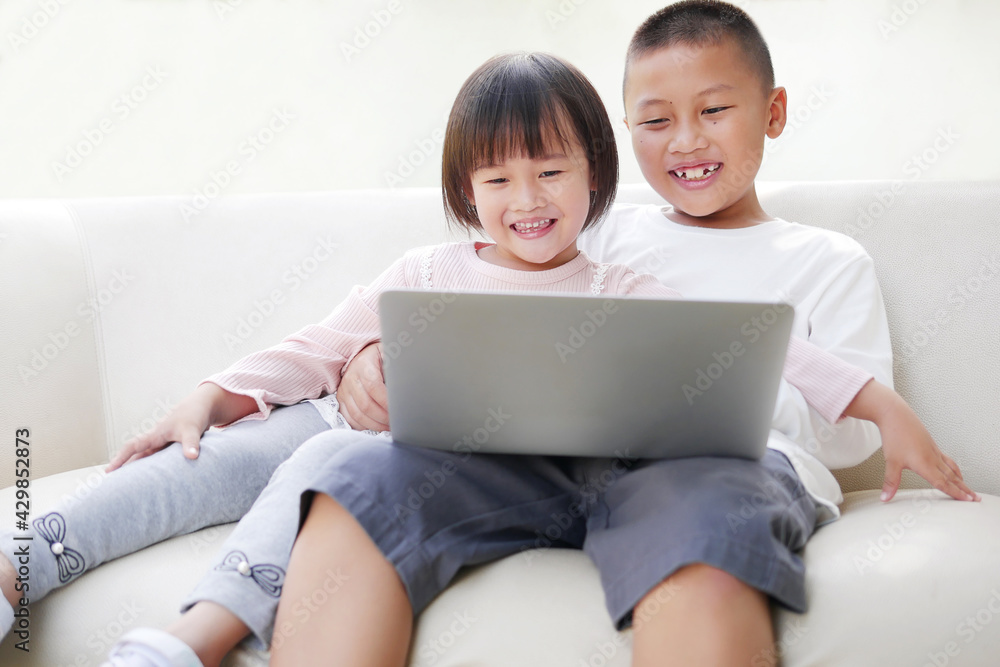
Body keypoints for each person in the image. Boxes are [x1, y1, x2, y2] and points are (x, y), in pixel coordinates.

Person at [0, 49, 905, 667]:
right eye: (499, 181)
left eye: (550, 172)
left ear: (594, 172)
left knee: (329, 468)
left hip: (405, 452)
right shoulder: (425, 269)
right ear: (465, 190)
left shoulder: (620, 284)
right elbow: (318, 346)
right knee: (206, 461)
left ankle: (192, 632)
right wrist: (218, 391)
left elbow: (756, 345)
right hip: (338, 413)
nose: (528, 199)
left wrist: (874, 400)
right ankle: (18, 564)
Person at [268, 28, 978, 667]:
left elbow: (850, 436)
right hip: (548, 453)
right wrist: (367, 353)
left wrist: (767, 393)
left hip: (715, 465)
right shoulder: (591, 230)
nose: (686, 141)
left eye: (714, 111)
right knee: (364, 481)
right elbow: (484, 298)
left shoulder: (828, 257)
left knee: (706, 515)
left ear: (774, 112)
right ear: (618, 140)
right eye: (656, 121)